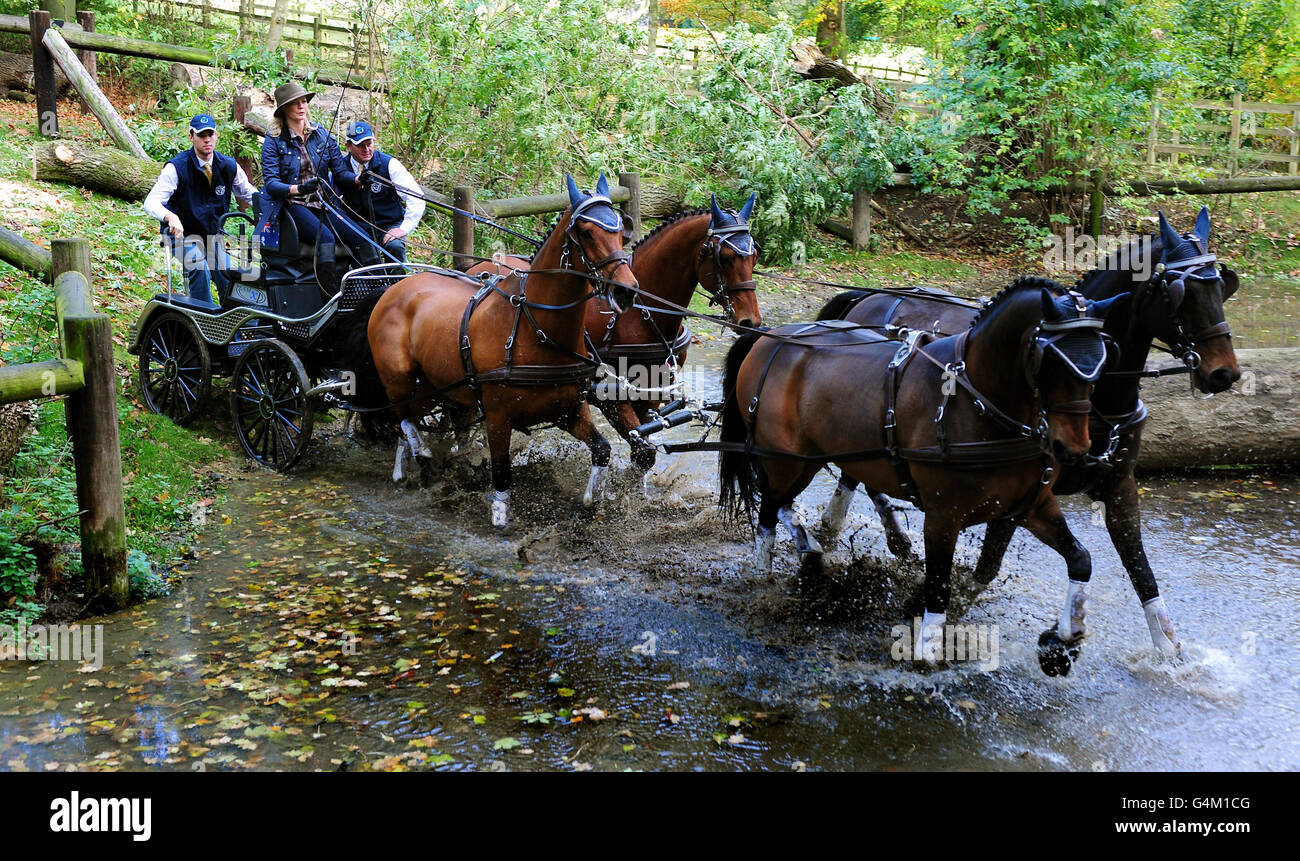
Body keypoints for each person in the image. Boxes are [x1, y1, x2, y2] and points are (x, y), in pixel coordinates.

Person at [256, 81, 367, 296]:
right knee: (325, 238)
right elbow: (271, 184)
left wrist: (358, 179)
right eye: (294, 103)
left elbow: (341, 172)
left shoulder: (321, 134)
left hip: (324, 203)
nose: (301, 107)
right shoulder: (274, 141)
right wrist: (298, 188)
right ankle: (332, 297)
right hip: (292, 204)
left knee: (360, 236)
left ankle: (370, 292)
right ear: (283, 109)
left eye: (303, 102)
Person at [142, 113, 255, 307]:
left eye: (210, 134)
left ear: (216, 136)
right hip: (181, 236)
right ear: (191, 137)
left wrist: (273, 207)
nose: (207, 139)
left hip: (212, 236)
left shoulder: (228, 166)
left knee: (228, 272)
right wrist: (170, 216)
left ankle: (233, 322)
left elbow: (249, 194)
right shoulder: (176, 167)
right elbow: (151, 202)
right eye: (202, 135)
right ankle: (204, 320)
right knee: (199, 266)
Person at [336, 120, 425, 263]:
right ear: (348, 146)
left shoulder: (389, 164)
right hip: (359, 227)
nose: (366, 149)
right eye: (360, 145)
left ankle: (397, 282)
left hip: (389, 224)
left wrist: (403, 228)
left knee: (395, 246)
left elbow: (417, 197)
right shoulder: (340, 168)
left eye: (369, 144)